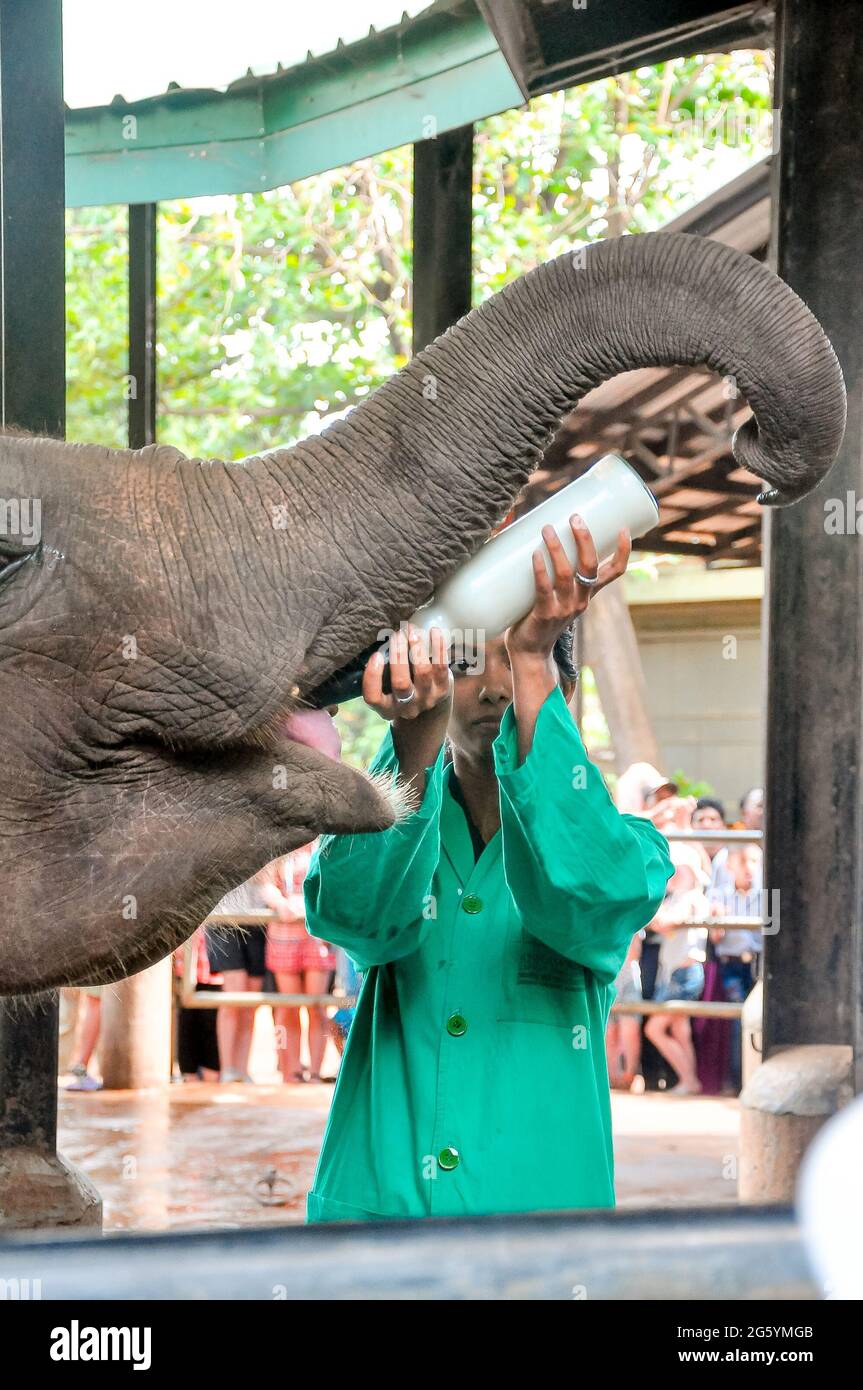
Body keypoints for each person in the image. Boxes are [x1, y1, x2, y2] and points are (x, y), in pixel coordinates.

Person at [303, 515, 673, 1222]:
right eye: (470, 663)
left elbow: (584, 891)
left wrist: (535, 652)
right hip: (381, 1216)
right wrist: (411, 740)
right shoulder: (387, 817)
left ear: (561, 698)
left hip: (536, 1228)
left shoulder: (631, 848)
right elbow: (352, 919)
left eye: (523, 665)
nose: (496, 688)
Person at [262, 845, 336, 1084]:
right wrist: (281, 904)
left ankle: (315, 1072)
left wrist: (313, 906)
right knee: (287, 1007)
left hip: (316, 936)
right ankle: (290, 1071)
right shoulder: (278, 846)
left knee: (317, 1005)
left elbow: (336, 882)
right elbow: (266, 884)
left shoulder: (326, 845)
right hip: (283, 934)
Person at [643, 842, 709, 1097]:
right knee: (680, 1031)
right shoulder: (681, 898)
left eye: (677, 869)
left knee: (654, 1028)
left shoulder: (691, 899)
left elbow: (665, 923)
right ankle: (689, 1080)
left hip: (684, 975)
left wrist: (649, 912)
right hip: (676, 973)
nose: (671, 874)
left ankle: (689, 1080)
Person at [205, 871, 268, 1083]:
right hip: (225, 920)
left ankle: (242, 1069)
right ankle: (227, 1069)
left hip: (259, 919)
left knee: (250, 1002)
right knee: (234, 995)